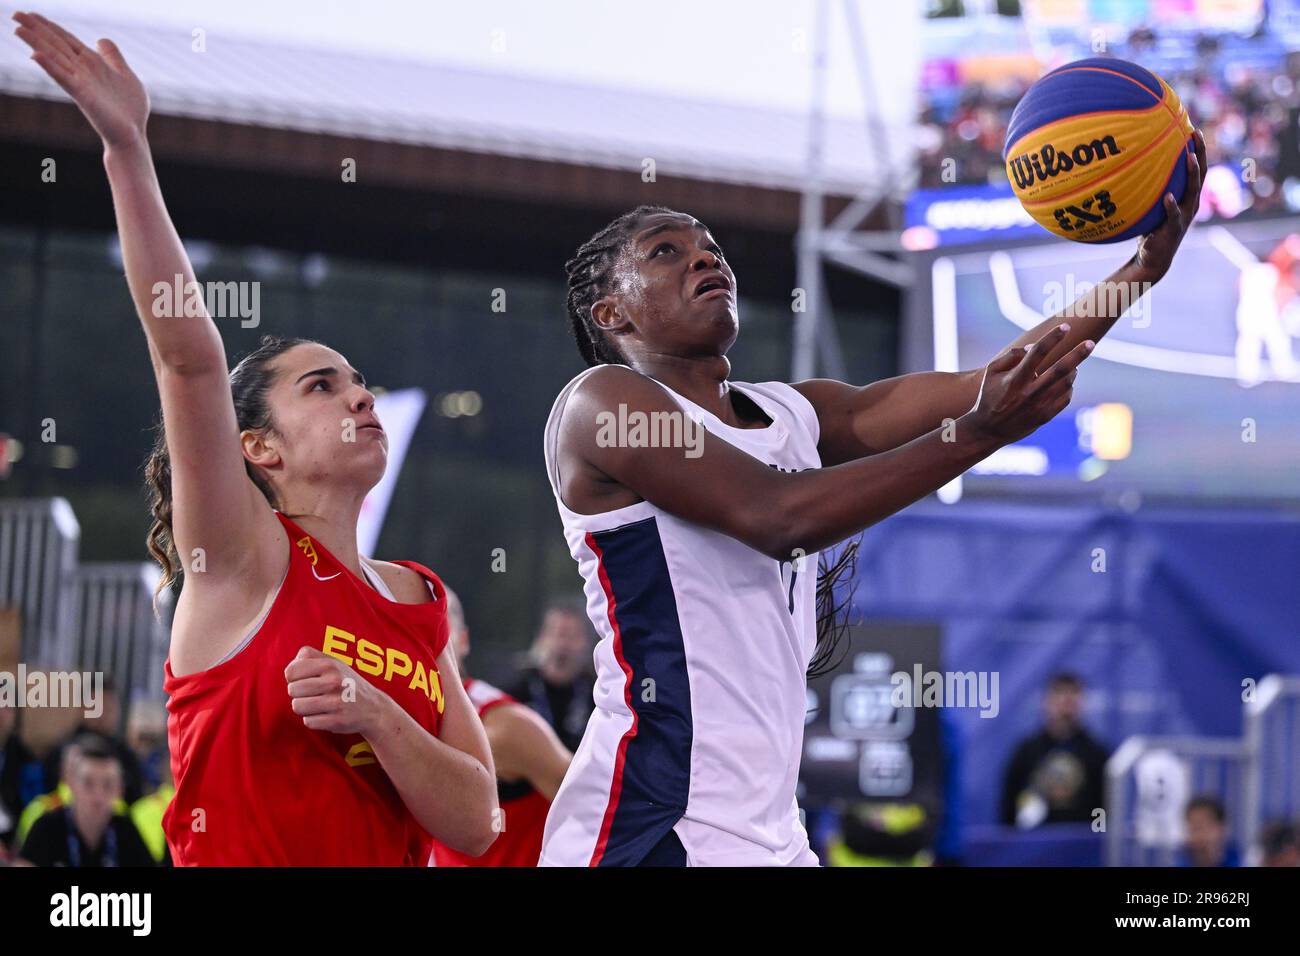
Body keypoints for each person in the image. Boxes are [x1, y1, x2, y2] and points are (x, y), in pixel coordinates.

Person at [540, 139, 1203, 866]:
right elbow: (779, 517)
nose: (706, 259)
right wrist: (978, 436)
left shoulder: (791, 413)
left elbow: (994, 380)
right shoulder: (603, 404)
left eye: (711, 247)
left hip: (769, 829)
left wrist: (1139, 272)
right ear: (612, 315)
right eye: (666, 252)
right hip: (653, 816)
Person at [12, 11, 498, 865]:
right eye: (323, 385)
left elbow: (477, 819)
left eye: (359, 383)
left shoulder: (419, 599)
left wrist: (376, 713)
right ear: (259, 448)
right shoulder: (241, 556)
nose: (360, 398)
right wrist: (127, 149)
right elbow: (190, 362)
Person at [432, 588, 573, 867]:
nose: (424, 644)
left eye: (436, 632)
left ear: (462, 641)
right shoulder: (386, 716)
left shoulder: (506, 727)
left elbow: (604, 811)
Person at [18, 735, 154, 867]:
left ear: (119, 789)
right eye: (88, 783)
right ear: (71, 784)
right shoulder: (46, 828)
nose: (98, 796)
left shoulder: (126, 831)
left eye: (108, 784)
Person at [1000, 672, 1111, 828]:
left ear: (1081, 702)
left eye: (1072, 696)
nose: (1065, 704)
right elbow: (1009, 808)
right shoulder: (1027, 752)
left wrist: (1096, 839)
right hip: (1033, 846)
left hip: (1083, 844)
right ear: (1046, 702)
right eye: (1059, 694)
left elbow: (1106, 809)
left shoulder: (1096, 754)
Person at [507, 601, 595, 752]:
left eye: (572, 636)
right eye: (558, 634)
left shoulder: (598, 696)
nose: (564, 644)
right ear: (541, 638)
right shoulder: (516, 693)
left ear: (585, 643)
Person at [1180, 795, 1240, 867]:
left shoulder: (1243, 862)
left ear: (1222, 828)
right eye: (1192, 830)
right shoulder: (1180, 861)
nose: (1197, 837)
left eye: (1201, 828)